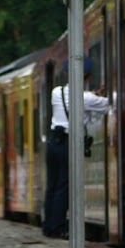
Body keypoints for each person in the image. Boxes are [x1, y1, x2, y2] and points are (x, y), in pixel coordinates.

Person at [42, 58, 112, 238]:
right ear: (87, 77)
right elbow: (107, 106)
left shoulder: (56, 92)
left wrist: (95, 94)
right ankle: (58, 227)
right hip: (69, 144)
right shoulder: (87, 98)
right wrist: (102, 95)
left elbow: (77, 98)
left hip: (53, 144)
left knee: (52, 185)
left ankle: (48, 225)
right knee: (64, 186)